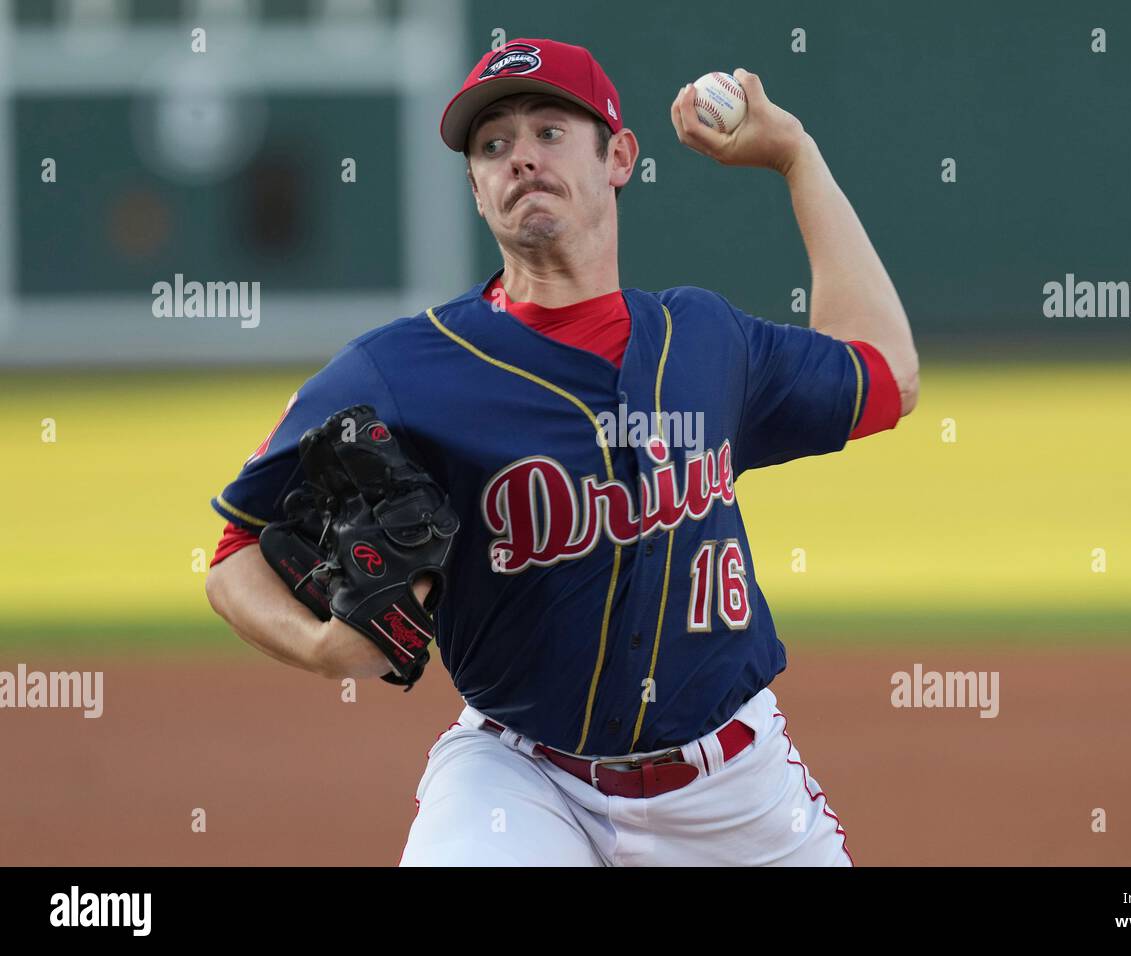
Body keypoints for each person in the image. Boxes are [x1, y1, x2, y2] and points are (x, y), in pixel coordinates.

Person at [205, 37, 918, 866]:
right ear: (476, 187)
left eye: (549, 131)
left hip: (737, 791)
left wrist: (798, 157)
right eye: (493, 146)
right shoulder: (400, 369)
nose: (521, 159)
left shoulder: (706, 339)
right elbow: (234, 550)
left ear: (619, 156)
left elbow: (885, 376)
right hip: (520, 778)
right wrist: (323, 649)